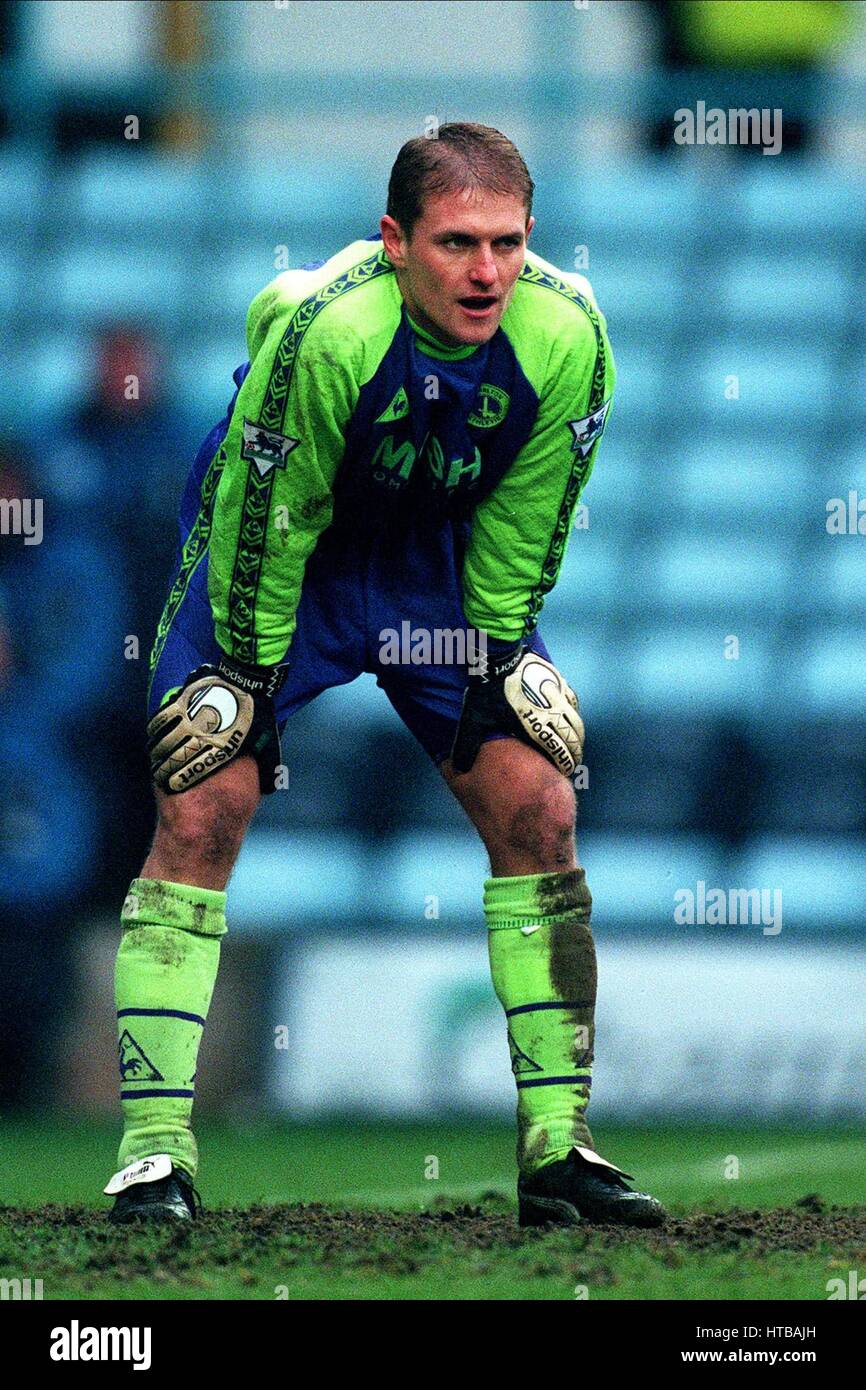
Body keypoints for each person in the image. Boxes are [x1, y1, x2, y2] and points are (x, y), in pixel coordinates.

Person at [104, 123, 665, 1228]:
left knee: (539, 804)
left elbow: (524, 518)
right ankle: (153, 1154)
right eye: (456, 243)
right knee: (204, 803)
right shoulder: (328, 336)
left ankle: (558, 1148)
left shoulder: (570, 339)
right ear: (393, 242)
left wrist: (497, 654)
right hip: (283, 556)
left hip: (432, 568)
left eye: (505, 243)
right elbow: (268, 516)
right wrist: (250, 687)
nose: (485, 271)